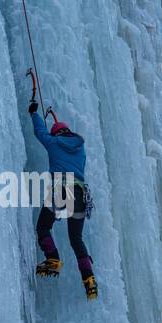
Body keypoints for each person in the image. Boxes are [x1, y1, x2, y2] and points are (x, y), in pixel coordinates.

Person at [26, 99, 97, 300]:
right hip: (81, 194)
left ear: (56, 133)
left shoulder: (53, 142)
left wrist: (34, 113)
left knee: (43, 227)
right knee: (76, 239)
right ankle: (89, 279)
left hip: (62, 190)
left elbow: (40, 133)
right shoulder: (80, 148)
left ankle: (53, 259)